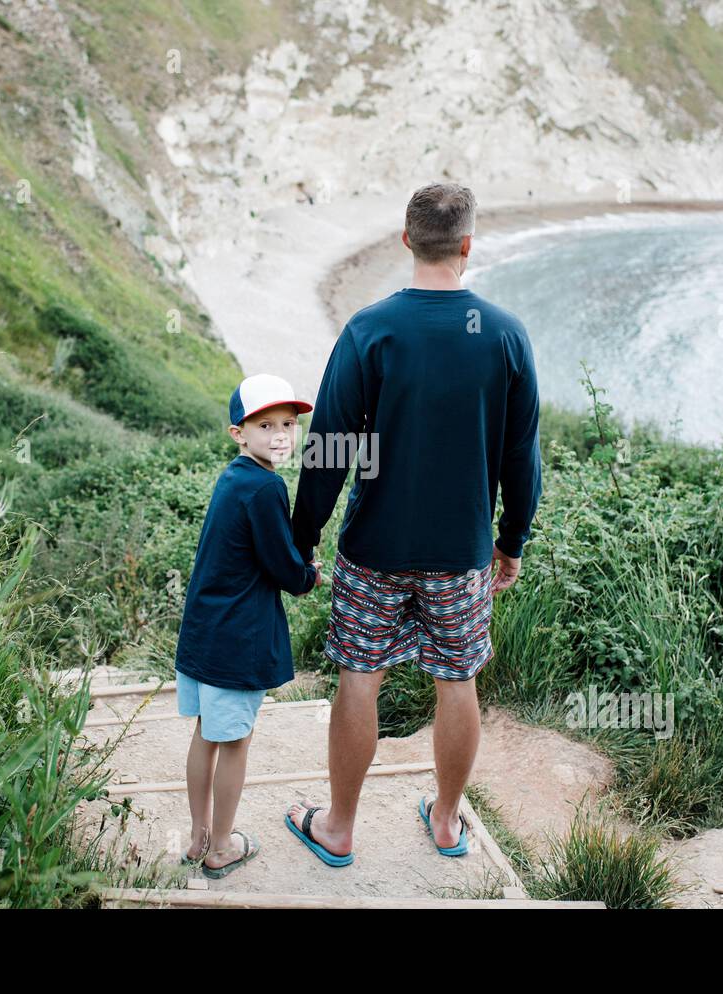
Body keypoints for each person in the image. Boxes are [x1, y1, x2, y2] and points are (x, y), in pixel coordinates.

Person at [285, 181, 543, 865]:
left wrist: (301, 539)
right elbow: (523, 459)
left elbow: (330, 447)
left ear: (406, 240)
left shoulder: (371, 330)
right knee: (457, 680)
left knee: (358, 677)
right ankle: (449, 821)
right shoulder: (505, 335)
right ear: (466, 245)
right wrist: (510, 541)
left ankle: (338, 827)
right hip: (461, 554)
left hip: (373, 549)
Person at [173, 372, 328, 878]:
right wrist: (308, 576)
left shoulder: (234, 477)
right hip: (238, 639)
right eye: (266, 425)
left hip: (205, 631)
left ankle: (198, 837)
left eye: (288, 424)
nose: (281, 434)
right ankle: (221, 847)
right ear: (238, 432)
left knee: (205, 735)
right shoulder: (265, 487)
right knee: (235, 742)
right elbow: (281, 565)